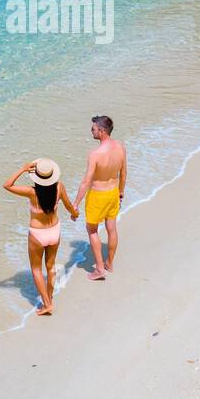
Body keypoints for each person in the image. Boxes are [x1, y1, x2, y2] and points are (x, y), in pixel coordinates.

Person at [3, 158, 77, 315]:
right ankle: (49, 297)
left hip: (37, 234)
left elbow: (7, 185)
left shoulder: (32, 192)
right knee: (50, 267)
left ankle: (47, 304)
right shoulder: (59, 187)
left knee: (36, 269)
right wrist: (75, 214)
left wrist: (23, 169)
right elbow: (69, 205)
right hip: (54, 231)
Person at [71, 115, 126, 280]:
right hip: (113, 193)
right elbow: (123, 173)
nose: (91, 131)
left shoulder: (95, 154)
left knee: (92, 230)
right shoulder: (121, 147)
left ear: (101, 131)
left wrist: (76, 203)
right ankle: (109, 263)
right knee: (111, 228)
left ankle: (100, 269)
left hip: (97, 196)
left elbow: (86, 181)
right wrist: (121, 192)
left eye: (93, 129)